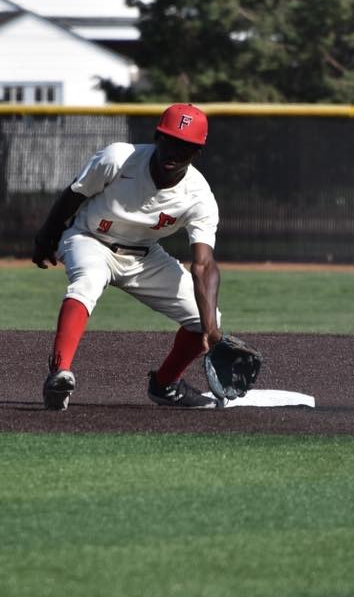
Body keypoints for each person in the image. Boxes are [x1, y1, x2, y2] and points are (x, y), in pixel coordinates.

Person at [32, 103, 223, 410]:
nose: (175, 151)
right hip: (90, 239)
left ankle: (165, 386)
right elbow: (74, 194)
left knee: (205, 318)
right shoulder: (118, 158)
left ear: (198, 152)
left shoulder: (199, 195)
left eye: (186, 146)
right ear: (156, 137)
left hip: (145, 257)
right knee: (87, 282)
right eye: (170, 140)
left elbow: (204, 264)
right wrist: (46, 237)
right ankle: (60, 372)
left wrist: (212, 330)